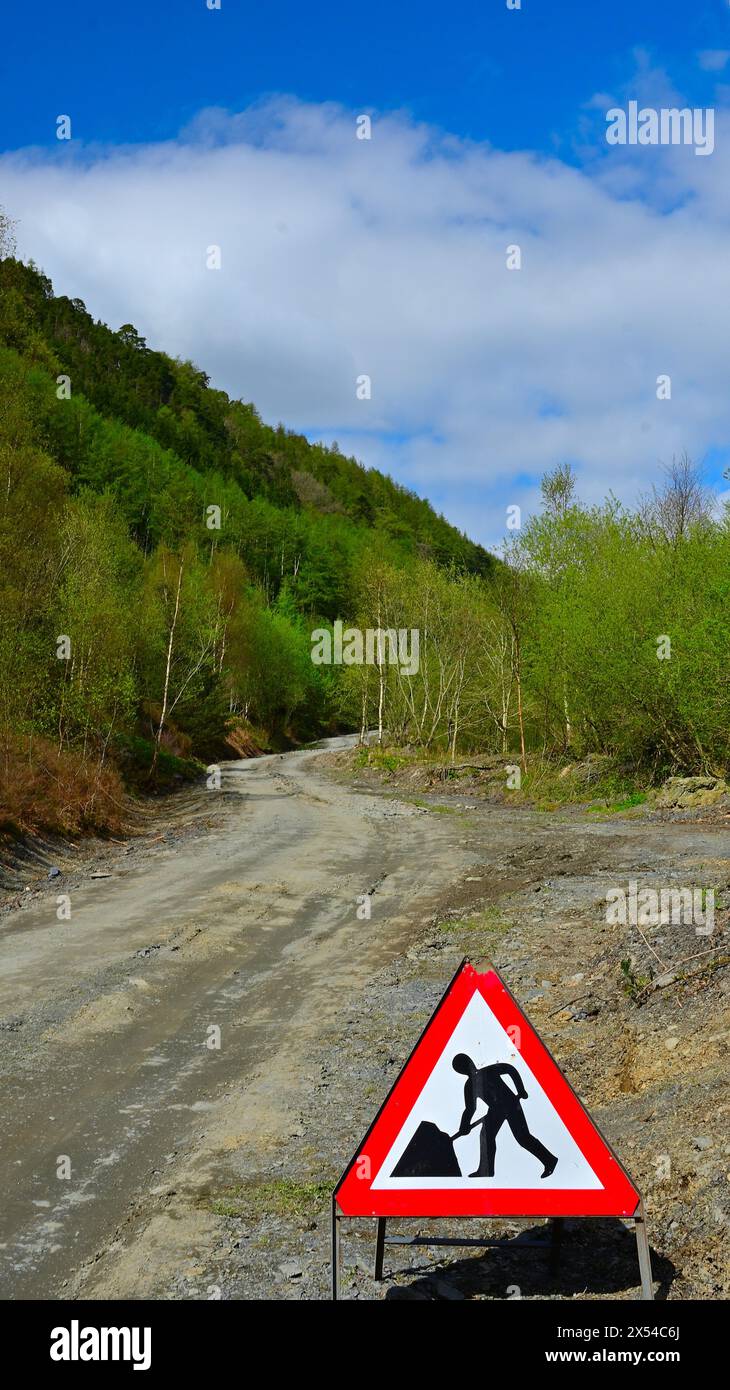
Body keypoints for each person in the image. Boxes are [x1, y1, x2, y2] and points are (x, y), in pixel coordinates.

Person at [452, 1053, 558, 1179]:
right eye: (465, 1067)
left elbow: (509, 1069)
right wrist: (464, 1125)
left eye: (467, 1064)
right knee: (486, 1136)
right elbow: (470, 1109)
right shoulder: (469, 1086)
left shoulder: (488, 1071)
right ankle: (486, 1170)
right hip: (495, 1110)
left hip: (511, 1104)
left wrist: (521, 1090)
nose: (469, 1067)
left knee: (523, 1137)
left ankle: (549, 1160)